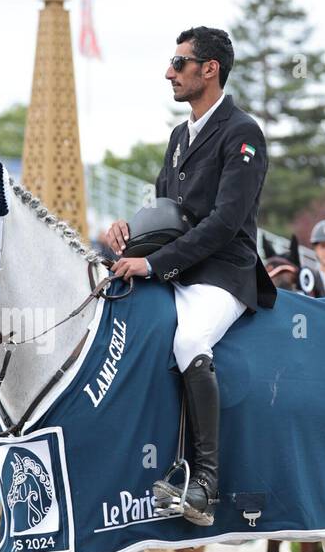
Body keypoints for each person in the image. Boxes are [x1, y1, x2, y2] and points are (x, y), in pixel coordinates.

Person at [108, 26, 276, 526]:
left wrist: (154, 264)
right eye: (171, 62)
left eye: (178, 63)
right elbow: (165, 210)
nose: (169, 72)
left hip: (223, 272)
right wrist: (129, 233)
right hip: (179, 267)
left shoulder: (243, 132)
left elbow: (225, 223)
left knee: (188, 341)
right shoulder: (180, 136)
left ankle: (204, 483)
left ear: (210, 70)